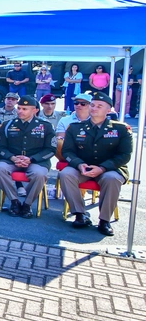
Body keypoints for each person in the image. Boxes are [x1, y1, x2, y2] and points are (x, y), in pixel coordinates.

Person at [59, 91, 133, 235]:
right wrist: (79, 164)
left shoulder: (121, 129)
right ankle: (80, 214)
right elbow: (67, 152)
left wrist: (102, 168)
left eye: (99, 106)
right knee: (66, 174)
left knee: (111, 179)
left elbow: (124, 155)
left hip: (109, 168)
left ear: (109, 110)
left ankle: (104, 221)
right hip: (83, 167)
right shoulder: (75, 128)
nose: (94, 108)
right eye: (92, 105)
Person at [0, 96, 54, 219]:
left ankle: (27, 204)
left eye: (24, 109)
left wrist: (31, 159)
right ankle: (14, 201)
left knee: (39, 174)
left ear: (35, 110)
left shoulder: (46, 126)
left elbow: (51, 149)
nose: (20, 111)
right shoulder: (8, 125)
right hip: (11, 160)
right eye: (19, 108)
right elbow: (0, 147)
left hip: (36, 161)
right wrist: (13, 158)